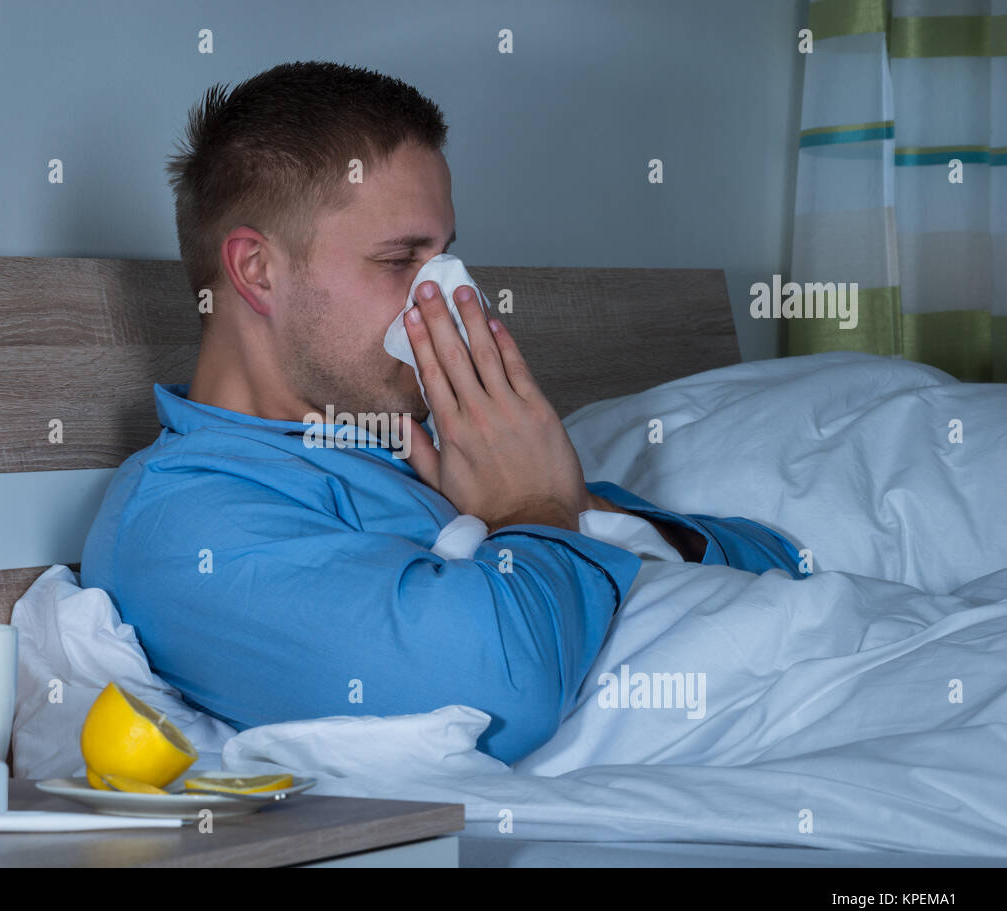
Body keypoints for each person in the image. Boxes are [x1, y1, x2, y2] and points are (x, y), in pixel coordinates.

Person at [81, 61, 807, 764]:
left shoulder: (428, 450)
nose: (452, 295)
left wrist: (575, 502)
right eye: (403, 260)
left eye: (446, 256)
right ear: (256, 271)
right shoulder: (190, 522)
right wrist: (536, 508)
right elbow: (498, 701)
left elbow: (779, 567)